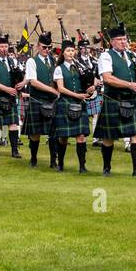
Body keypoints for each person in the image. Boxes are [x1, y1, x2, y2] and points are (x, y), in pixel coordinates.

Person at [94, 25, 136, 176]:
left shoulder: (131, 55)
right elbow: (107, 78)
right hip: (113, 100)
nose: (123, 42)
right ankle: (106, 168)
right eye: (119, 39)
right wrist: (129, 84)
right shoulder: (106, 56)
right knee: (109, 136)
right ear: (111, 42)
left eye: (124, 39)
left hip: (130, 100)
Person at [21, 32, 61, 168]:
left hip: (52, 101)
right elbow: (33, 82)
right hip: (37, 100)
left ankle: (53, 161)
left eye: (49, 48)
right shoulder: (32, 61)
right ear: (38, 46)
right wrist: (52, 90)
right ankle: (33, 158)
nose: (47, 50)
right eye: (44, 47)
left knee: (54, 132)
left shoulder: (53, 61)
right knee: (35, 133)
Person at [52, 39, 93, 172]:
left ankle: (82, 166)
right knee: (63, 137)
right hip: (65, 103)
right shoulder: (59, 69)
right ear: (63, 53)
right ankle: (60, 163)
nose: (70, 53)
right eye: (68, 51)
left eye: (72, 50)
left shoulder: (80, 67)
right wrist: (77, 95)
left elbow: (86, 85)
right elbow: (61, 88)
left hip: (79, 103)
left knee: (80, 136)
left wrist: (91, 88)